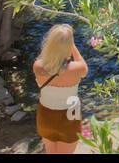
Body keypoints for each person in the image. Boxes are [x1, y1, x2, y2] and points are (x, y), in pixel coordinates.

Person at [33, 24, 88, 154]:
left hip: (46, 115)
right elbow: (84, 68)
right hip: (70, 116)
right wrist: (72, 46)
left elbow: (48, 59)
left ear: (49, 43)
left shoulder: (38, 66)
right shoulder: (77, 68)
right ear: (69, 46)